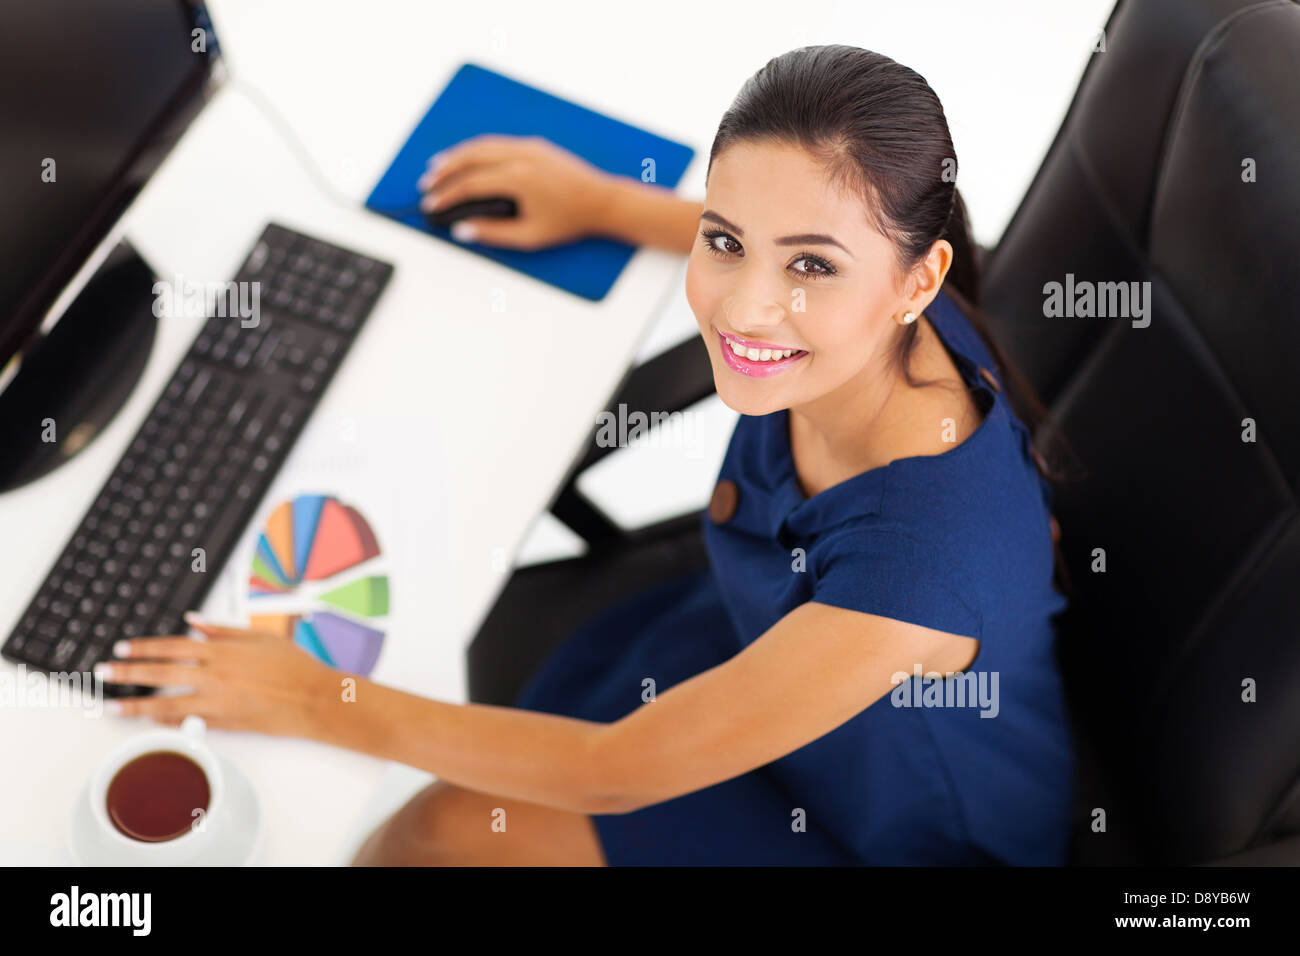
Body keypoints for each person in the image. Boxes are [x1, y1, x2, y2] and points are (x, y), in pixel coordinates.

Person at [104, 44, 1076, 865]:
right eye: (723, 241)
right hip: (747, 654)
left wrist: (319, 697)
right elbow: (776, 235)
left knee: (438, 826)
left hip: (882, 828)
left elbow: (618, 766)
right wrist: (608, 204)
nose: (742, 309)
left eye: (810, 266)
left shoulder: (923, 566)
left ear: (921, 277)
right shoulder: (893, 305)